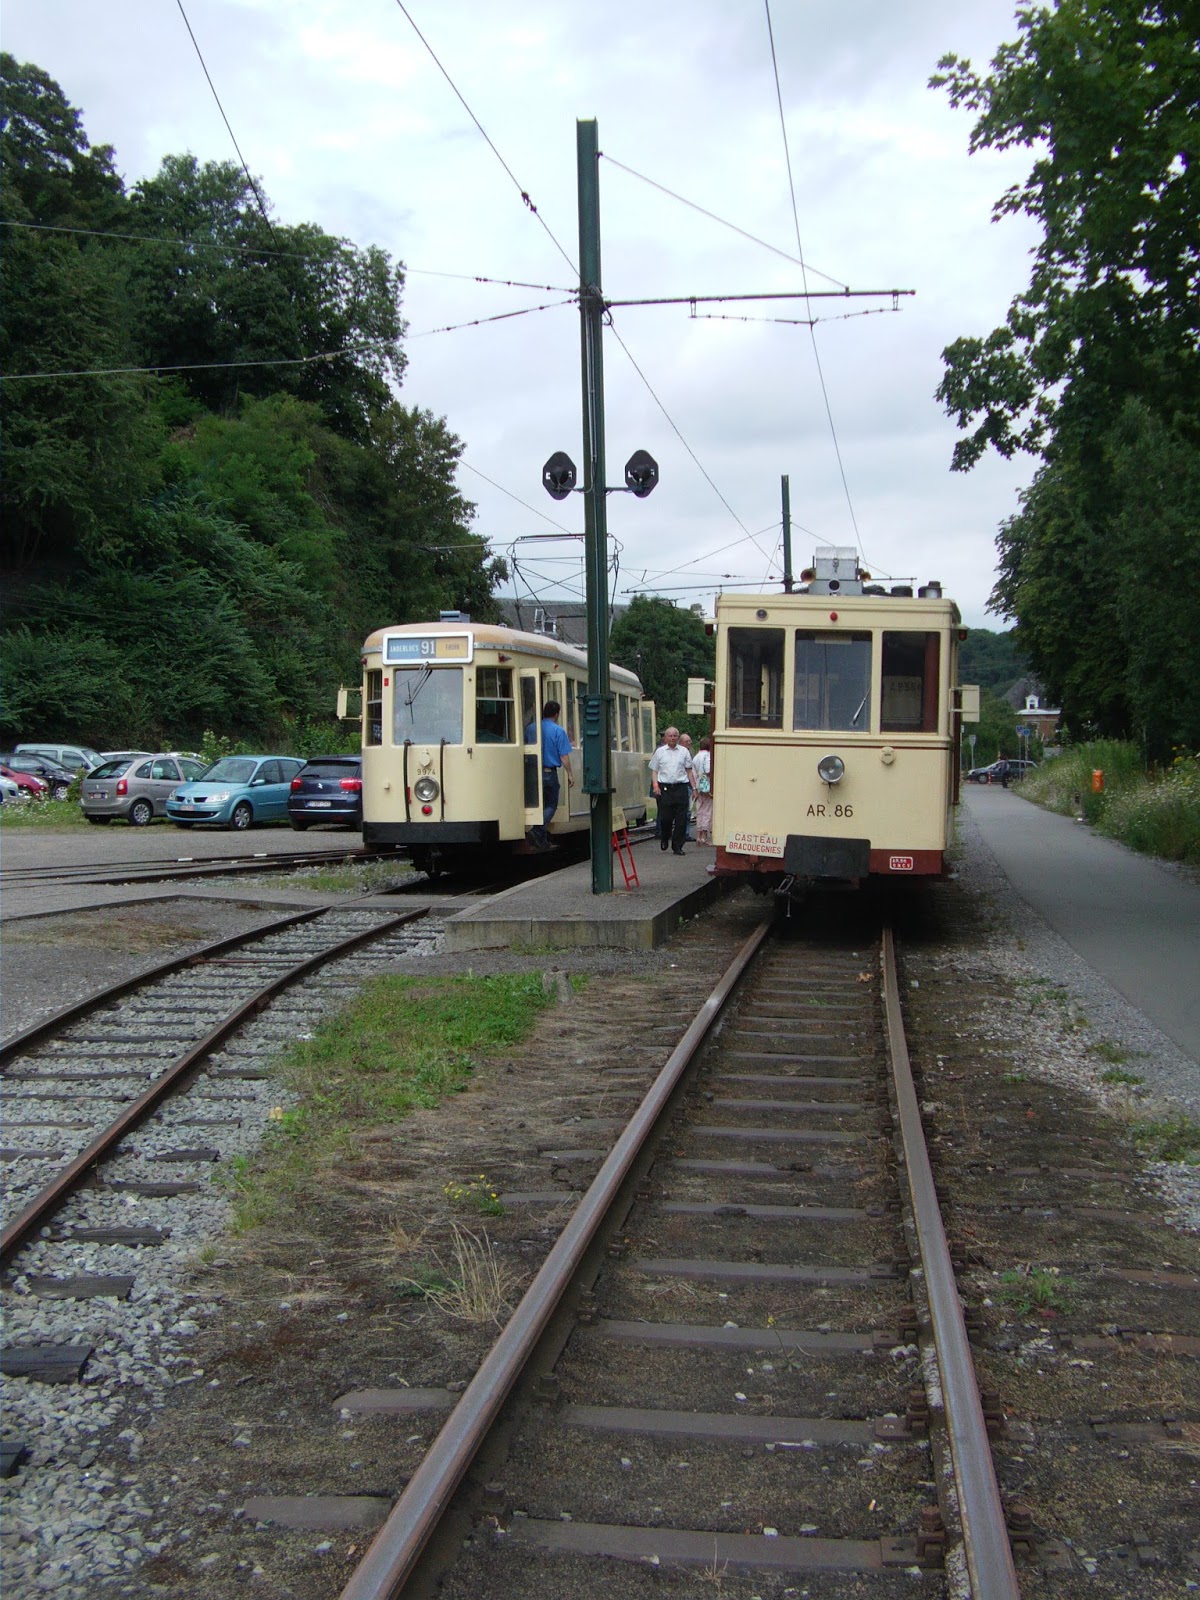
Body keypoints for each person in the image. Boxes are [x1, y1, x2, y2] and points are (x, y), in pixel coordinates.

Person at [532, 700, 573, 847]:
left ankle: (541, 839)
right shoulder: (558, 731)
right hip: (549, 773)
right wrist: (569, 773)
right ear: (557, 714)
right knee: (551, 804)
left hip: (532, 773)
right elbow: (564, 756)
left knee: (537, 805)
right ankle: (537, 830)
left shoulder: (531, 728)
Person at [648, 726, 694, 855]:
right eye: (671, 736)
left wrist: (694, 787)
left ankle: (677, 845)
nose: (673, 738)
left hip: (681, 787)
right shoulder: (660, 752)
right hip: (665, 788)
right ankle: (665, 837)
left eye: (675, 736)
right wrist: (655, 786)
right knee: (666, 818)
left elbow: (689, 770)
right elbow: (654, 770)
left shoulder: (684, 752)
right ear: (666, 738)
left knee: (681, 819)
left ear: (677, 738)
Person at [692, 734, 713, 845]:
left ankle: (698, 834)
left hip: (698, 787)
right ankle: (704, 835)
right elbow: (708, 770)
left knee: (699, 810)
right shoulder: (708, 756)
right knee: (708, 810)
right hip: (707, 786)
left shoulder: (696, 757)